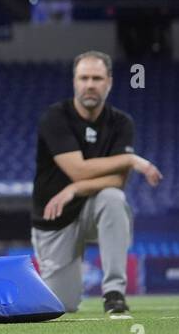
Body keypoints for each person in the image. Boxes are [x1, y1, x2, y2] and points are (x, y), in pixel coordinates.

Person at [31, 51, 162, 317]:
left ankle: (114, 293)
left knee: (113, 198)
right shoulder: (55, 117)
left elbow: (117, 180)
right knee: (61, 306)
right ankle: (70, 280)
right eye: (84, 78)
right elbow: (78, 170)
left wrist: (75, 189)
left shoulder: (121, 123)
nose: (90, 84)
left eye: (97, 78)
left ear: (109, 82)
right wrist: (130, 158)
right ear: (74, 82)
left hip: (92, 208)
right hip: (55, 219)